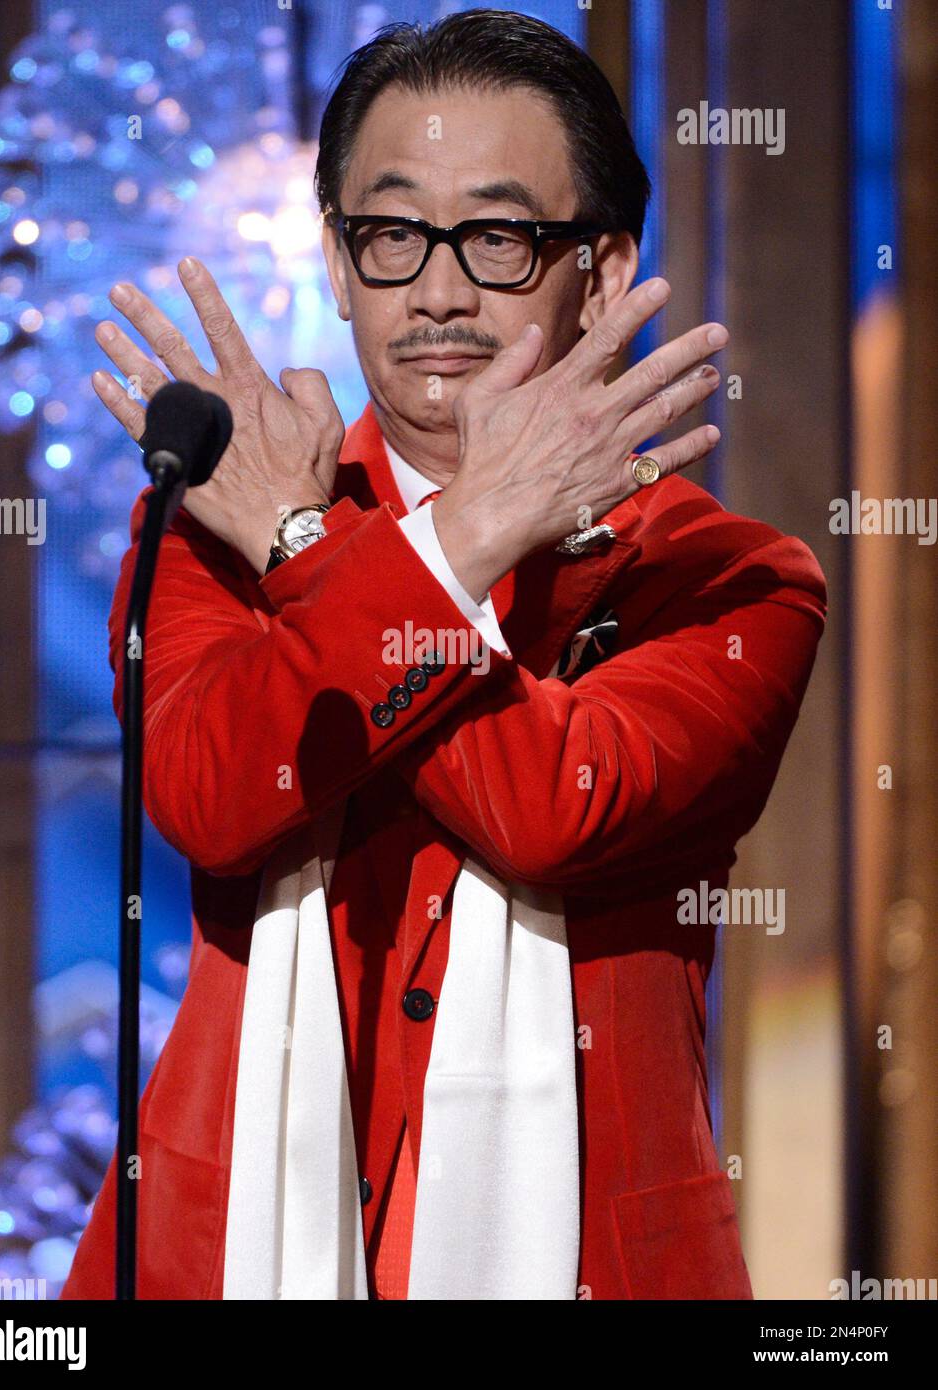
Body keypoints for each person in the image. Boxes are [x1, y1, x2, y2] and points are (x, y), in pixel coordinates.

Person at [61, 10, 826, 1300]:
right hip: (225, 1243)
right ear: (339, 259)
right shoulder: (210, 513)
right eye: (393, 232)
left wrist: (324, 554)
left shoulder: (727, 575)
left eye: (501, 235)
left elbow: (547, 812)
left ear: (603, 263)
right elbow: (210, 797)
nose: (438, 288)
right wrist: (415, 543)